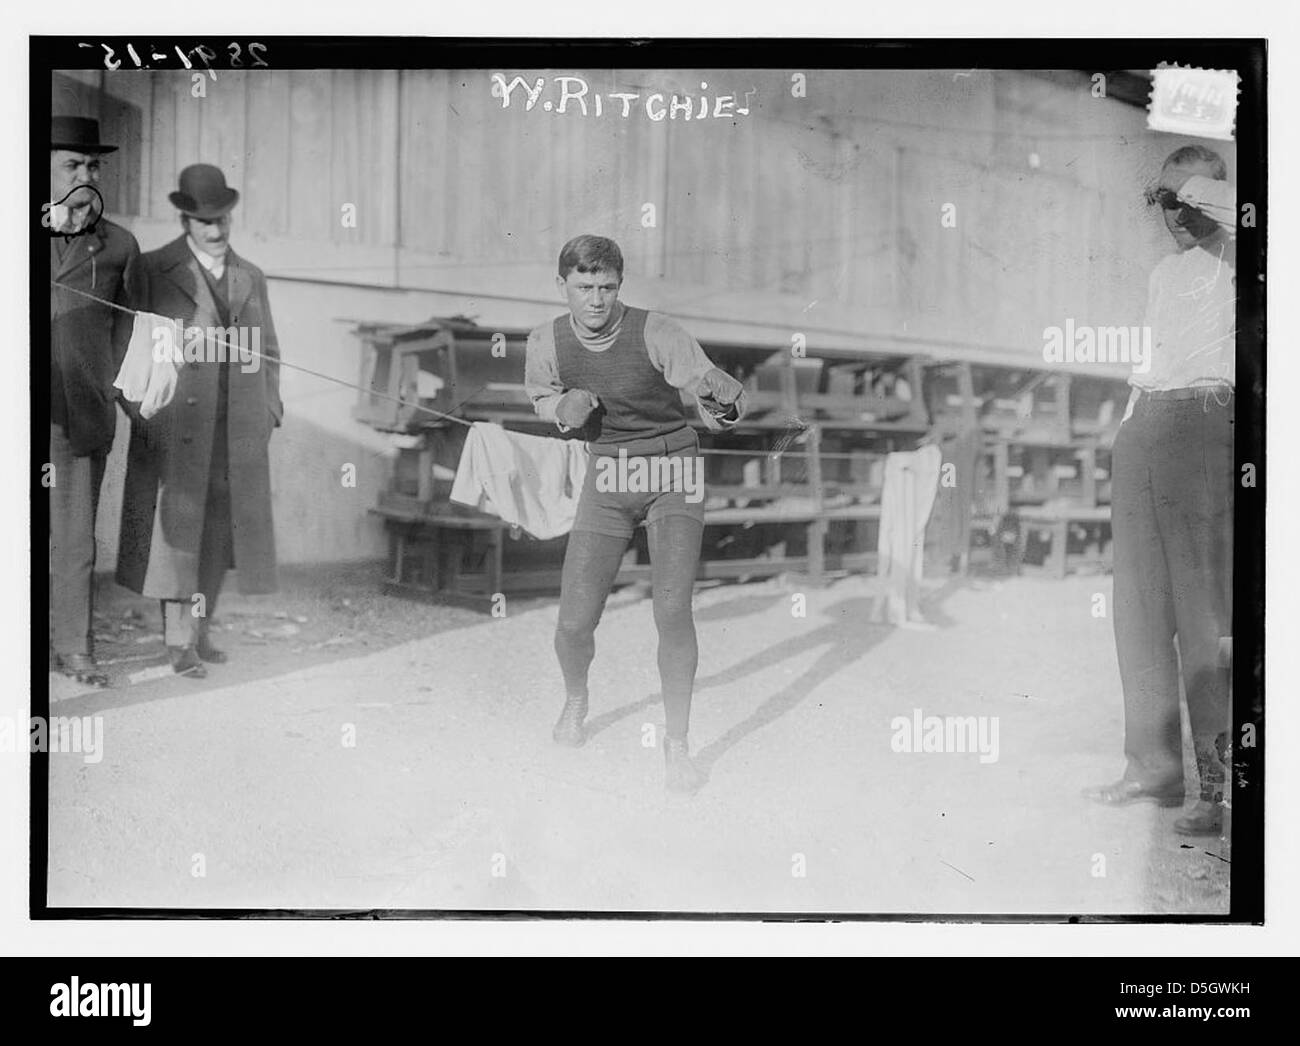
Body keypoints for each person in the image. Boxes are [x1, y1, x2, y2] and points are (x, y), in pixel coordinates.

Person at [525, 234, 746, 793]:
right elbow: (540, 396)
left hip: (671, 469)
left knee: (672, 612)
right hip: (610, 473)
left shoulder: (657, 330)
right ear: (563, 286)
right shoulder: (545, 341)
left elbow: (715, 396)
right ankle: (576, 698)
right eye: (583, 288)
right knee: (574, 621)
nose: (596, 300)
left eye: (606, 287)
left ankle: (677, 746)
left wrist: (722, 399)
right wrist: (561, 409)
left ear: (619, 286)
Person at [1084, 146, 1236, 836]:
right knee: (1139, 607)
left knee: (1203, 612)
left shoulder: (1242, 259)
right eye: (1162, 202)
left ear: (1211, 196)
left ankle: (1218, 785)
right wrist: (1125, 431)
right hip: (1146, 423)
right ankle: (1153, 766)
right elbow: (1149, 360)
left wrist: (1200, 193)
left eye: (1187, 201)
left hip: (1206, 423)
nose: (1173, 215)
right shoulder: (1162, 273)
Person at [116, 164, 283, 677]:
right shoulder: (151, 269)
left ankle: (201, 627)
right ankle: (177, 643)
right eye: (204, 221)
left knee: (217, 537)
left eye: (223, 220)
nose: (216, 231)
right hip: (174, 432)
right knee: (175, 540)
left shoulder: (249, 276)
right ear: (184, 219)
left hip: (233, 434)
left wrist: (269, 412)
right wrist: (142, 412)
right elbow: (128, 352)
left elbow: (268, 352)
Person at [48, 117, 141, 687]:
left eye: (92, 166)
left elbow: (130, 335)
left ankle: (72, 647)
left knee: (75, 536)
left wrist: (131, 401)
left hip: (81, 412)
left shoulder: (120, 245)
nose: (85, 176)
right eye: (70, 165)